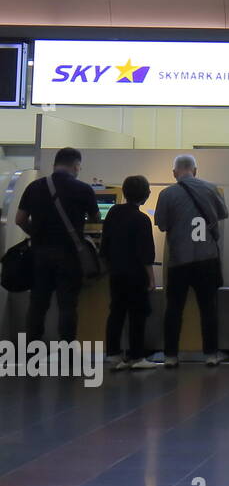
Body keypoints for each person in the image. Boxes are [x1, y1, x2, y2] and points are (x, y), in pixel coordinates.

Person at [16, 146, 100, 342]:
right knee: (67, 305)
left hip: (39, 255)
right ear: (76, 166)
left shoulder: (34, 187)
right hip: (70, 255)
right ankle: (67, 351)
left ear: (54, 165)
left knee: (37, 304)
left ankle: (32, 350)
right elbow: (96, 219)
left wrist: (35, 234)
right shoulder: (84, 189)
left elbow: (20, 219)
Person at [154, 154, 228, 367]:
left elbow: (161, 224)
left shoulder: (167, 193)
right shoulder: (211, 189)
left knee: (174, 309)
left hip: (179, 260)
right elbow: (222, 214)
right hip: (207, 258)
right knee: (208, 308)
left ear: (174, 173)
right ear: (195, 171)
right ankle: (211, 354)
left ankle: (170, 355)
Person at [101, 175, 158, 371]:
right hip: (135, 275)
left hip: (116, 272)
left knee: (116, 312)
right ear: (145, 195)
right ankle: (136, 356)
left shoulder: (113, 213)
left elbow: (105, 245)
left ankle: (114, 355)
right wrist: (151, 279)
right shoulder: (142, 219)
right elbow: (146, 255)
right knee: (137, 315)